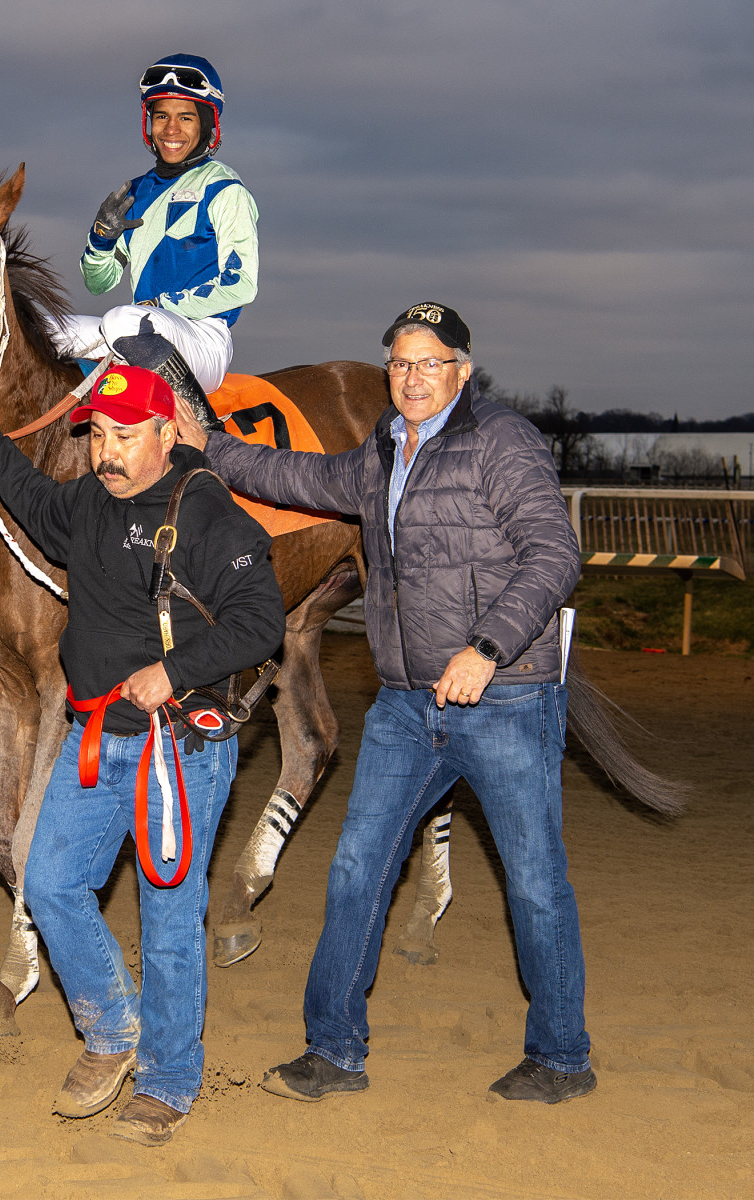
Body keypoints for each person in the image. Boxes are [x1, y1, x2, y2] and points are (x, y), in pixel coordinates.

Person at [175, 302, 596, 1104]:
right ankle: (333, 1051)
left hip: (502, 697)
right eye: (399, 363)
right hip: (407, 707)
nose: (411, 377)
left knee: (536, 883)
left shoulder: (500, 440)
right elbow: (299, 477)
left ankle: (562, 1058)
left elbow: (553, 552)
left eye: (429, 362)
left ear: (462, 371)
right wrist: (210, 449)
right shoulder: (380, 449)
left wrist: (488, 648)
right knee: (357, 870)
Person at [0, 365, 285, 1144]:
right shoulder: (89, 500)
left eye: (126, 436)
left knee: (169, 917)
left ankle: (169, 1083)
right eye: (99, 435)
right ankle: (112, 1029)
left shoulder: (207, 514)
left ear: (167, 433)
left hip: (178, 751)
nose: (108, 453)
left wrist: (171, 670)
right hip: (93, 739)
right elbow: (37, 505)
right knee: (46, 880)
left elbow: (261, 621)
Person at [48, 53, 258, 422]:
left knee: (123, 321)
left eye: (186, 117)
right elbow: (99, 283)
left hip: (203, 338)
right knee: (40, 327)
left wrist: (159, 304)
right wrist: (100, 240)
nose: (171, 129)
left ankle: (207, 431)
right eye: (162, 116)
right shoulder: (137, 191)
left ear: (208, 125)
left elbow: (241, 285)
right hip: (140, 328)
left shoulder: (225, 189)